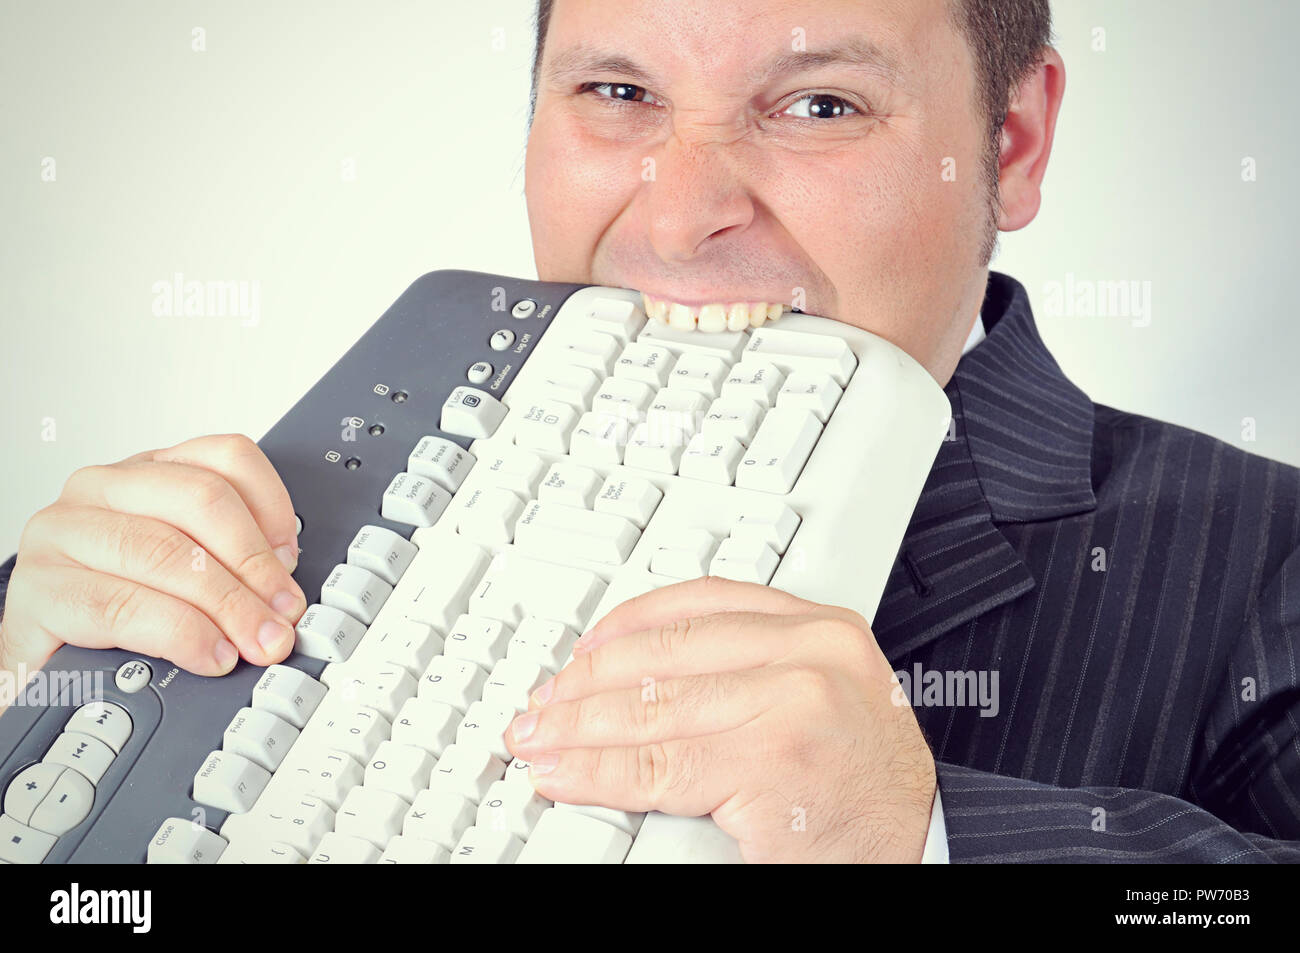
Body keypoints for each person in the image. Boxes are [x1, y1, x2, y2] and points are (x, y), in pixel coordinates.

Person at [2, 0, 1298, 863]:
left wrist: (919, 834)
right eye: (618, 90)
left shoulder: (1261, 559)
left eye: (820, 106)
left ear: (1009, 144)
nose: (680, 219)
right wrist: (28, 707)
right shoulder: (297, 500)